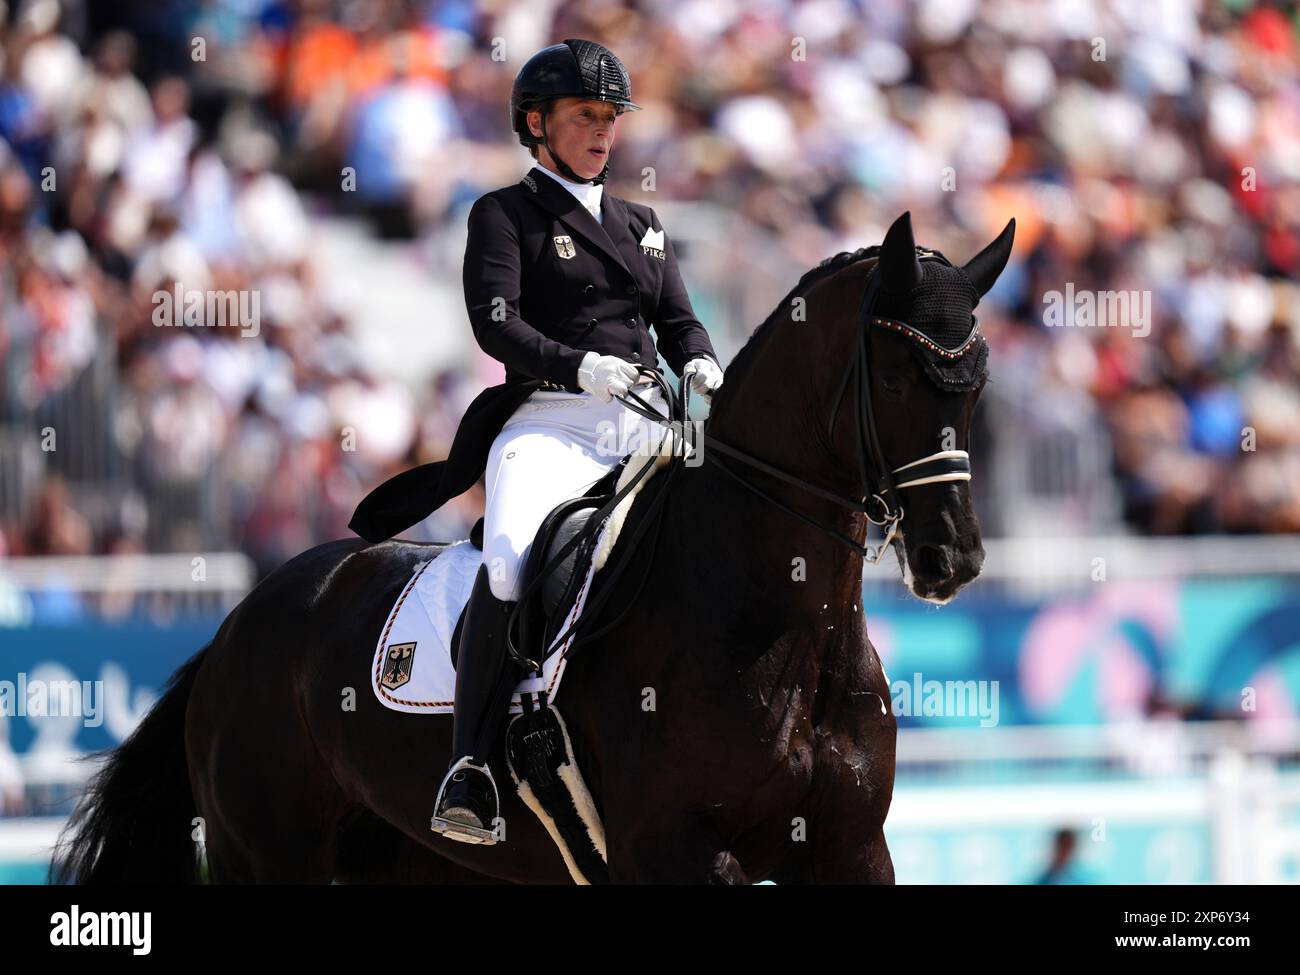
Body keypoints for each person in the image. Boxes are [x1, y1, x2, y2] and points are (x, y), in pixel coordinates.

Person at [429, 39, 724, 844]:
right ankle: (472, 764)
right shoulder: (504, 213)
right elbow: (497, 324)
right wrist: (577, 365)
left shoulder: (645, 224)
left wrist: (699, 359)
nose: (602, 131)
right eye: (584, 116)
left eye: (609, 117)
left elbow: (677, 318)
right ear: (537, 122)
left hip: (647, 426)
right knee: (512, 551)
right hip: (551, 423)